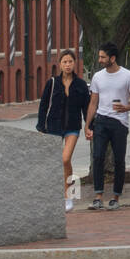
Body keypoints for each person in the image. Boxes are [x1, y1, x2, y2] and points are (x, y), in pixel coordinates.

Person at [83, 41, 130, 210]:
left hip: (120, 123)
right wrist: (88, 125)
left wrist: (126, 107)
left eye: (103, 57)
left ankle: (116, 196)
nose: (100, 59)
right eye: (99, 56)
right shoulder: (97, 77)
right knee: (98, 157)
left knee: (118, 159)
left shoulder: (128, 76)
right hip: (101, 120)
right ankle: (98, 196)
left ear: (112, 58)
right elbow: (93, 102)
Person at [36, 50, 91, 211]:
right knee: (54, 162)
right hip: (53, 126)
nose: (67, 65)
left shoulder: (80, 84)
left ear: (75, 64)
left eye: (70, 62)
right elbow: (43, 106)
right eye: (64, 62)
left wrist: (89, 126)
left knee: (65, 159)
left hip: (72, 127)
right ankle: (55, 195)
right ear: (59, 64)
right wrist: (41, 127)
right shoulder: (52, 83)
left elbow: (86, 108)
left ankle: (69, 196)